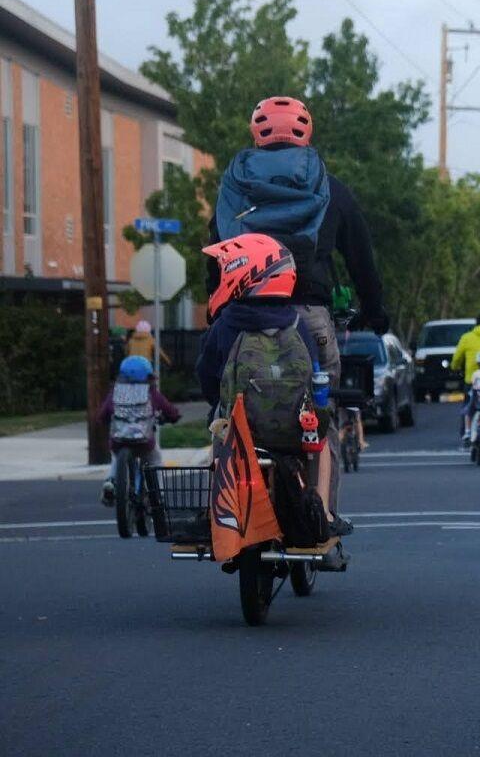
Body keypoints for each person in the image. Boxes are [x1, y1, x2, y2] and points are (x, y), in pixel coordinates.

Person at [205, 96, 390, 387]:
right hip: (308, 313)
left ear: (256, 134)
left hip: (242, 316)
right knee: (322, 403)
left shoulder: (235, 188)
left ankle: (225, 428)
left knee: (225, 395)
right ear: (307, 133)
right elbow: (361, 259)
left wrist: (215, 308)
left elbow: (218, 253)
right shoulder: (332, 189)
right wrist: (374, 310)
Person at [195, 233, 350, 536]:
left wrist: (216, 400)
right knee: (320, 441)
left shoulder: (226, 324)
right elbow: (312, 373)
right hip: (293, 430)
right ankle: (324, 513)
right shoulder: (296, 322)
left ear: (243, 275)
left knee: (219, 427)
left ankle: (216, 511)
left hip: (240, 429)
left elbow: (207, 373)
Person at [99, 355, 180, 505]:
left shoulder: (116, 391)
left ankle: (111, 481)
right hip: (144, 442)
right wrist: (173, 416)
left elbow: (103, 413)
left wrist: (104, 420)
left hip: (119, 441)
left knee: (116, 457)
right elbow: (168, 409)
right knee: (155, 458)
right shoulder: (150, 391)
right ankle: (158, 494)